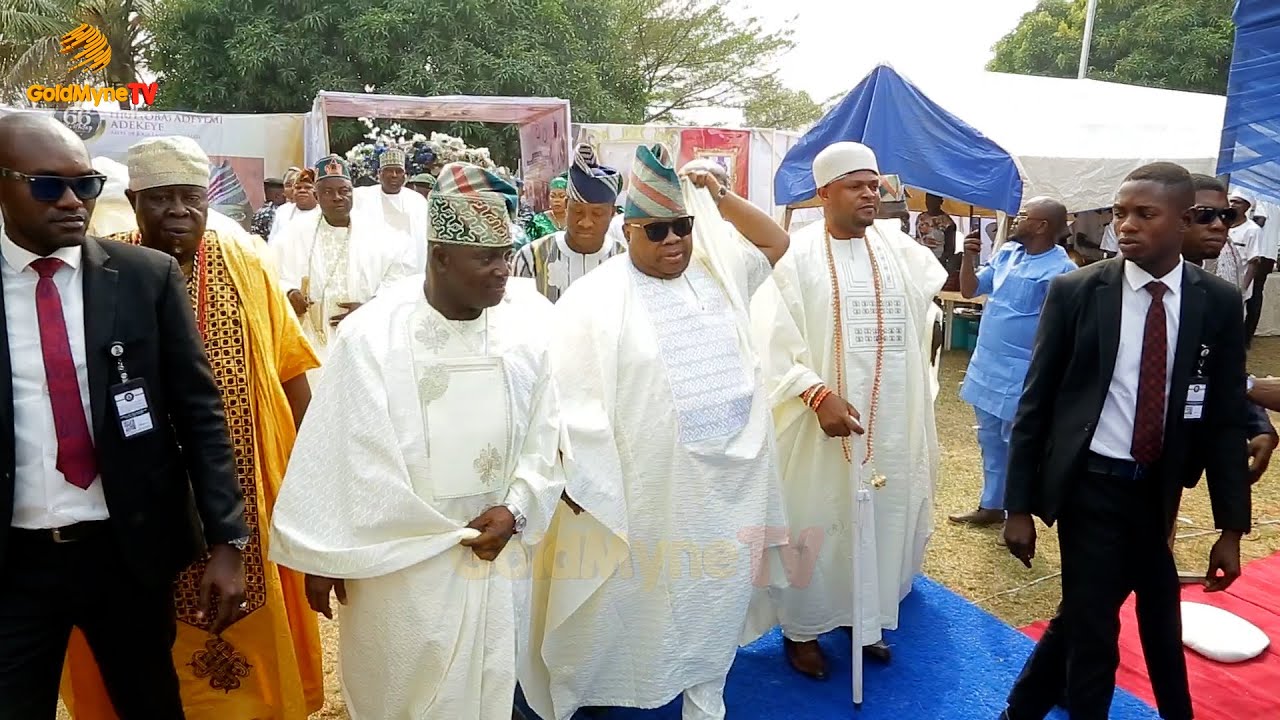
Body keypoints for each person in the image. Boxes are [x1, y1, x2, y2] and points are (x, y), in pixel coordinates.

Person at [269, 162, 563, 719]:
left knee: (485, 691)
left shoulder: (527, 335)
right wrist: (325, 554)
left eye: (506, 254)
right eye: (487, 258)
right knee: (399, 694)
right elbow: (336, 452)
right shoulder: (371, 338)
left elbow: (545, 439)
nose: (504, 271)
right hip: (398, 565)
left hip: (491, 554)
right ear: (440, 257)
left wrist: (517, 510)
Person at [56, 136, 323, 720]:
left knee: (251, 663)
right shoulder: (102, 270)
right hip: (137, 503)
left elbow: (291, 365)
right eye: (161, 199)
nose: (178, 212)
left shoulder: (245, 261)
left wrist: (316, 471)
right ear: (134, 200)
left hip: (243, 495)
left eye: (190, 198)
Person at [520, 145, 789, 720]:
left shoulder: (716, 274)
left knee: (712, 592)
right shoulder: (594, 299)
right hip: (642, 488)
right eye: (658, 231)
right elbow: (566, 393)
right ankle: (600, 689)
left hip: (729, 485)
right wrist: (579, 471)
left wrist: (718, 196)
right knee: (624, 596)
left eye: (683, 228)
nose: (674, 242)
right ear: (630, 231)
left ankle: (702, 692)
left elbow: (774, 244)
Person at [0, 110, 248, 718]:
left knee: (150, 703)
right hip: (13, 566)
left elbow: (199, 414)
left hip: (126, 552)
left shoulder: (143, 277)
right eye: (46, 185)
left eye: (85, 185)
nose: (72, 201)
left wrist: (227, 540)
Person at [1000, 163, 1251, 720]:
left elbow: (1225, 417)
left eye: (1144, 214)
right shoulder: (1077, 292)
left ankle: (1022, 709)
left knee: (1152, 615)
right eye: (1119, 213)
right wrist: (1017, 506)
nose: (1125, 226)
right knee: (1094, 633)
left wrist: (1231, 528)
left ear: (1183, 221)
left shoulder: (1215, 302)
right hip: (1090, 486)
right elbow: (1036, 404)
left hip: (1156, 492)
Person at [749, 141, 945, 678]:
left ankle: (866, 617)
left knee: (883, 517)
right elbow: (770, 341)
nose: (870, 193)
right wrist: (814, 393)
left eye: (874, 183)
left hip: (891, 422)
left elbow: (926, 313)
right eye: (856, 185)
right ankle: (803, 629)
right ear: (823, 193)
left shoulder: (901, 250)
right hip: (818, 427)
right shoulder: (795, 257)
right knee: (813, 519)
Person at [950, 198, 1078, 531]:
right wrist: (969, 257)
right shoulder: (1008, 254)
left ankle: (1018, 513)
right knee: (989, 438)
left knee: (1019, 445)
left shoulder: (1062, 272)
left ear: (1042, 225)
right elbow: (970, 289)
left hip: (1022, 371)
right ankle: (991, 505)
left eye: (1023, 216)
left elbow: (1064, 331)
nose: (1016, 221)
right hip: (986, 365)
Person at [273, 154, 411, 374]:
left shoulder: (380, 233)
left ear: (352, 193)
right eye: (328, 192)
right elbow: (272, 275)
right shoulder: (293, 233)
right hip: (311, 337)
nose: (337, 197)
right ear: (317, 195)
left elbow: (398, 279)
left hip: (364, 338)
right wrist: (289, 293)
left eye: (344, 191)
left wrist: (370, 309)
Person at [512, 144, 626, 302]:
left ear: (612, 213)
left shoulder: (624, 260)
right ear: (566, 206)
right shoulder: (530, 258)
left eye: (597, 214)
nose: (586, 223)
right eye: (578, 211)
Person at [353, 147, 429, 273]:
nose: (394, 175)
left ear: (405, 175)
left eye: (398, 171)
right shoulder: (361, 197)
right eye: (389, 170)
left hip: (410, 268)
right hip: (373, 267)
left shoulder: (417, 201)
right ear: (379, 173)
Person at [1229, 189, 1273, 341]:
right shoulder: (1224, 225)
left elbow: (1254, 262)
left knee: (1233, 320)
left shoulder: (1252, 230)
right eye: (1232, 201)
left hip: (1238, 282)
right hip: (1220, 279)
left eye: (1237, 202)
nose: (1233, 204)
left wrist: (1243, 288)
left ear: (1247, 207)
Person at [268, 167, 320, 245]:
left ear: (317, 191)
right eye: (298, 188)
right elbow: (272, 242)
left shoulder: (323, 213)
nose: (302, 190)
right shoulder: (283, 211)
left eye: (308, 187)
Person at [524, 175, 568, 241]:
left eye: (561, 196)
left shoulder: (575, 220)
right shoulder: (538, 220)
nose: (556, 200)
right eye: (552, 196)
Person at [250, 173, 289, 238]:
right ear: (277, 196)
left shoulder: (259, 212)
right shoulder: (275, 213)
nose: (286, 199)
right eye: (284, 196)